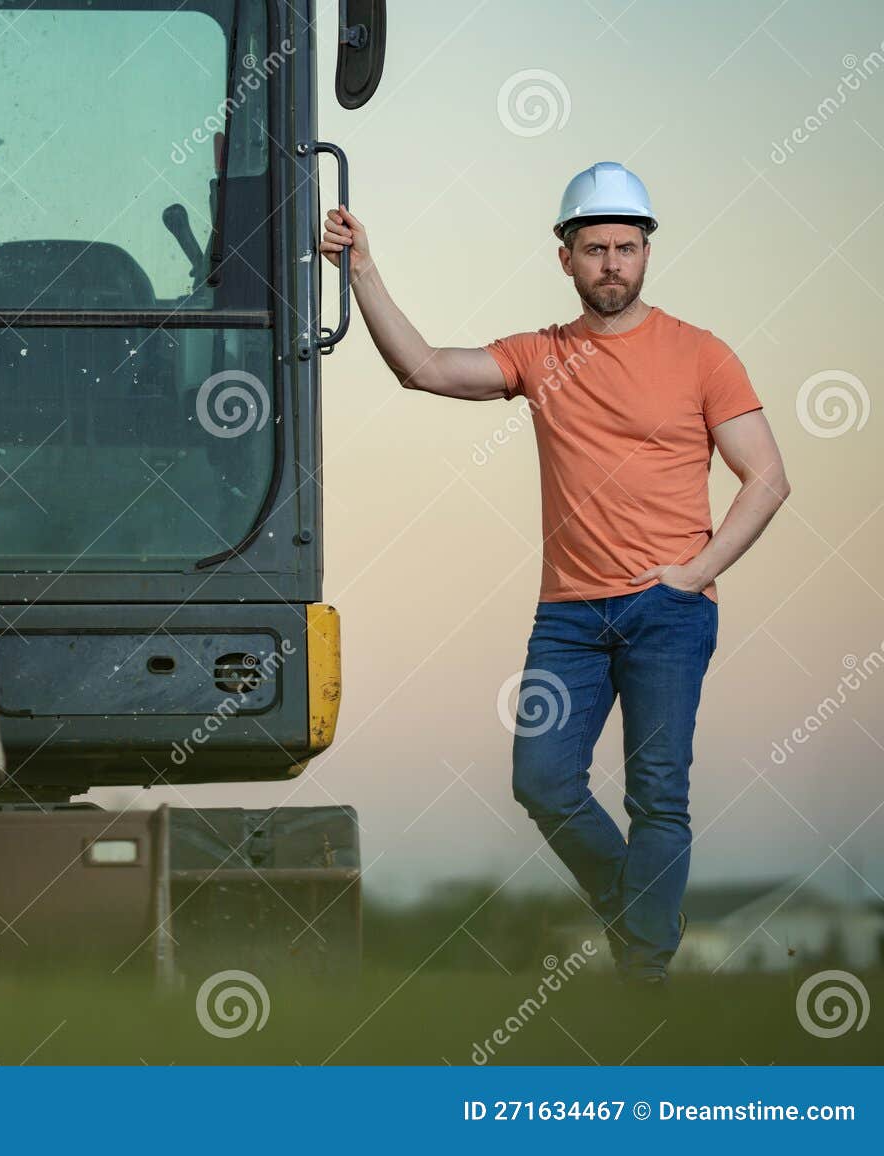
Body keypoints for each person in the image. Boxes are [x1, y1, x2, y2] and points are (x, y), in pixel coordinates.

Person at [321, 161, 791, 985]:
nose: (612, 262)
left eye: (627, 247)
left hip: (669, 611)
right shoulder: (539, 356)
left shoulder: (702, 355)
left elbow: (768, 478)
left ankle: (642, 977)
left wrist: (694, 573)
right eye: (595, 248)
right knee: (541, 780)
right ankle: (645, 915)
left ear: (647, 252)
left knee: (658, 796)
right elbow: (423, 368)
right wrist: (360, 268)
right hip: (568, 615)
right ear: (565, 256)